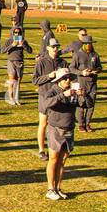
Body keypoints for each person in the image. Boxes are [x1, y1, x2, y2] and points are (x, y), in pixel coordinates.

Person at [42, 68, 87, 199]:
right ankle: (50, 189)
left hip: (69, 129)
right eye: (65, 78)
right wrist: (64, 95)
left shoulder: (73, 91)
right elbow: (46, 104)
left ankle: (58, 187)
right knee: (54, 158)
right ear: (59, 80)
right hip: (56, 129)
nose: (68, 80)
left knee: (63, 160)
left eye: (69, 78)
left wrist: (83, 96)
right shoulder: (52, 91)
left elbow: (86, 105)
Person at [32, 37, 66, 160]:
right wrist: (48, 76)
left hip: (58, 97)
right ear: (48, 48)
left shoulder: (63, 63)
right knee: (43, 123)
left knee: (56, 124)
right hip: (44, 96)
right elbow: (35, 80)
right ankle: (41, 150)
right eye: (53, 47)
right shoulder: (41, 62)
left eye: (57, 47)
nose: (55, 49)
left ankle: (55, 148)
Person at [70, 33, 102, 132]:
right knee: (81, 103)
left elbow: (100, 67)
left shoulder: (95, 55)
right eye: (87, 44)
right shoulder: (77, 54)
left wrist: (96, 70)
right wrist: (81, 72)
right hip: (81, 82)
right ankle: (81, 124)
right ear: (83, 44)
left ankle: (88, 124)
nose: (88, 45)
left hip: (92, 83)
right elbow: (71, 68)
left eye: (90, 44)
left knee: (91, 104)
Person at [4, 26, 32, 105]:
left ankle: (16, 98)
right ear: (12, 33)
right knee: (12, 80)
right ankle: (11, 98)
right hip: (11, 62)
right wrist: (12, 45)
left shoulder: (23, 41)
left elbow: (30, 51)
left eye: (19, 33)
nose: (17, 34)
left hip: (20, 62)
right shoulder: (9, 41)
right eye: (15, 32)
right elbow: (2, 50)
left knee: (18, 80)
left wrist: (24, 46)